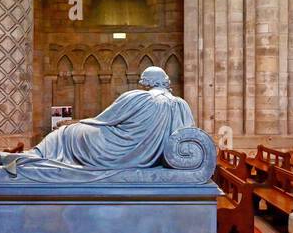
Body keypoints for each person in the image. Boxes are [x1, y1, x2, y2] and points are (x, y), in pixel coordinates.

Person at [19, 66, 191, 170]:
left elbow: (104, 121)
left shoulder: (140, 97)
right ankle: (30, 157)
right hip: (141, 152)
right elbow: (189, 136)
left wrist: (76, 122)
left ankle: (30, 157)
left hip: (118, 148)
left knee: (66, 133)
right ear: (165, 81)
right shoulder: (181, 104)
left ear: (147, 82)